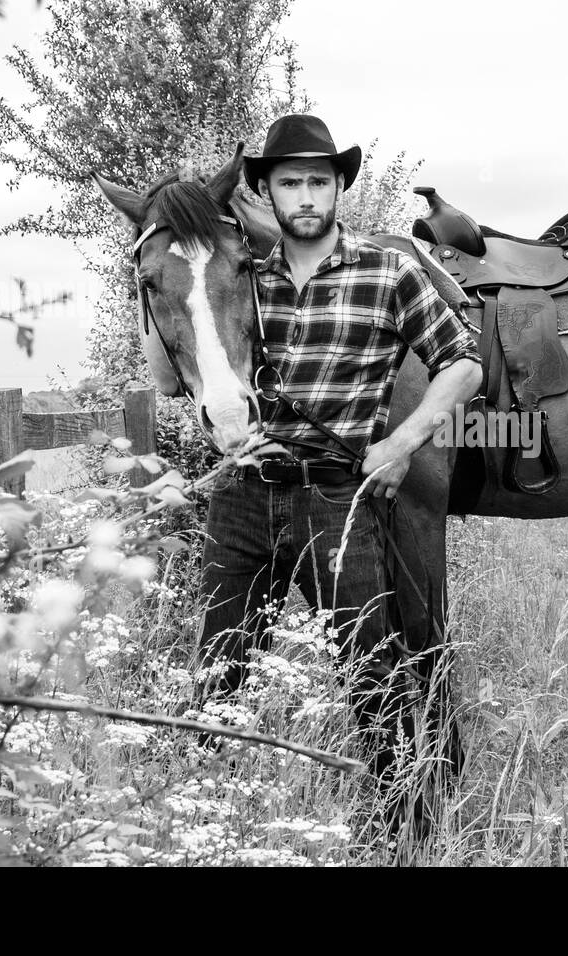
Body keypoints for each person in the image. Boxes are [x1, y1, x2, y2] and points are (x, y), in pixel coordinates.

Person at [198, 114, 481, 797]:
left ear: (338, 190)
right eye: (289, 182)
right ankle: (210, 821)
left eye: (318, 182)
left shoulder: (388, 272)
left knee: (373, 677)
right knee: (215, 675)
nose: (305, 196)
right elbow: (175, 364)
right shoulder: (240, 275)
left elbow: (464, 363)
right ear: (265, 190)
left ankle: (408, 828)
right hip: (242, 495)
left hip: (335, 498)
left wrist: (403, 441)